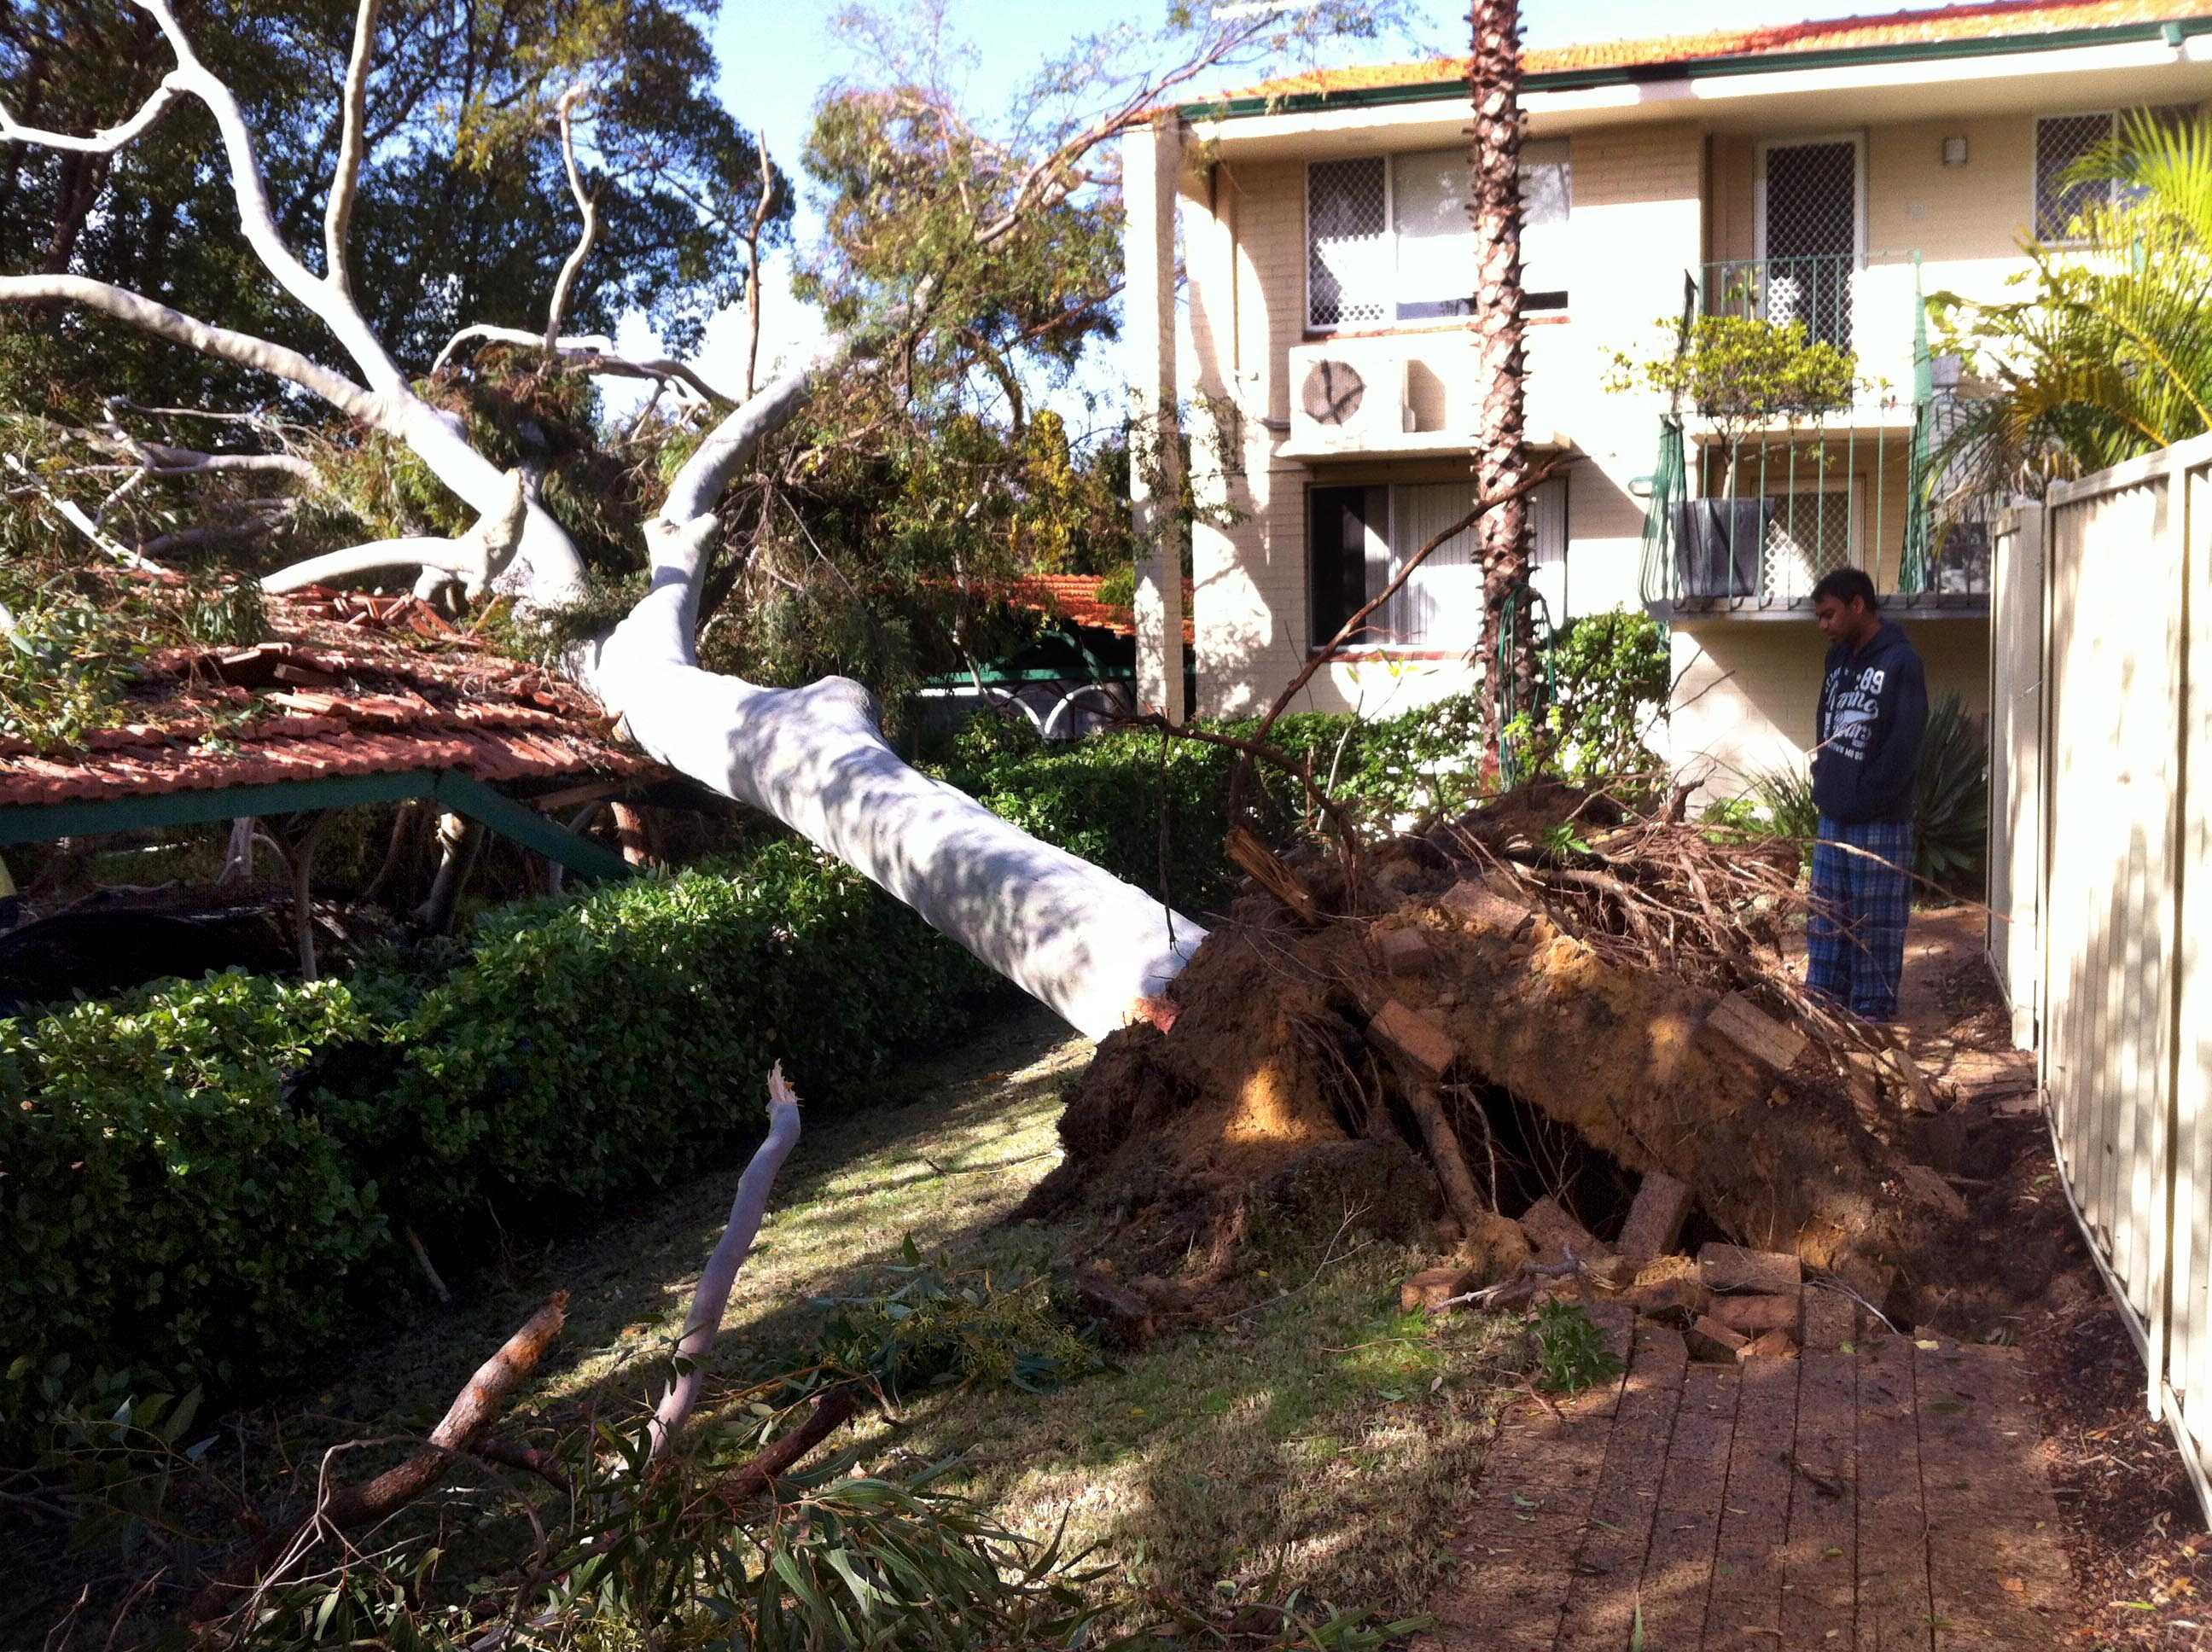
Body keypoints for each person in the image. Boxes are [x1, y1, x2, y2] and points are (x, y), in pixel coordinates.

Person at [1805, 567, 1928, 1023]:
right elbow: (1826, 716)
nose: (1824, 626)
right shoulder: (1837, 659)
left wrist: (1868, 797)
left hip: (1881, 822)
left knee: (1875, 923)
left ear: (1858, 605)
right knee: (1825, 918)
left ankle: (1871, 1016)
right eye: (1820, 617)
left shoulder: (1901, 661)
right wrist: (1826, 776)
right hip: (1833, 816)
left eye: (1829, 615)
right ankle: (1822, 1006)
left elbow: (1906, 744)